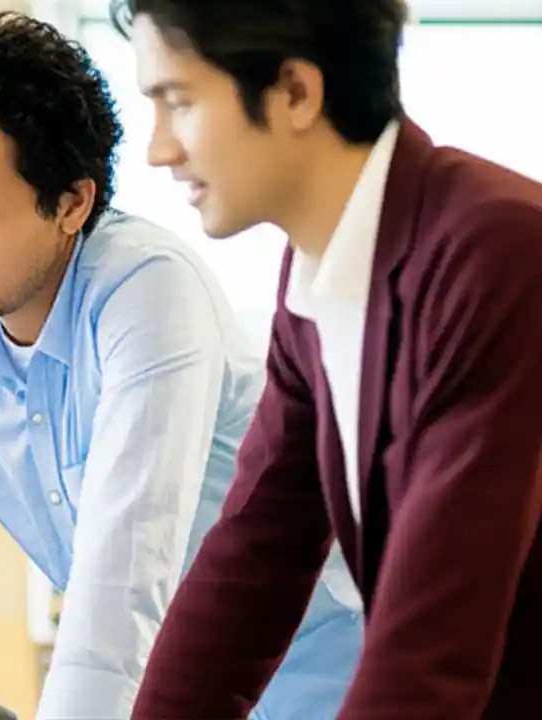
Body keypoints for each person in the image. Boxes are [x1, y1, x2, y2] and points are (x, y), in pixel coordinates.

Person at [0, 13, 361, 720]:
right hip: (178, 689)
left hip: (331, 689)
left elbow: (122, 578)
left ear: (72, 203)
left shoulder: (148, 292)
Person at [114, 1, 542, 718]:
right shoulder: (316, 273)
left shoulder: (497, 253)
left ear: (294, 93)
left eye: (178, 102)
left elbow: (432, 646)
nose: (159, 149)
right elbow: (253, 559)